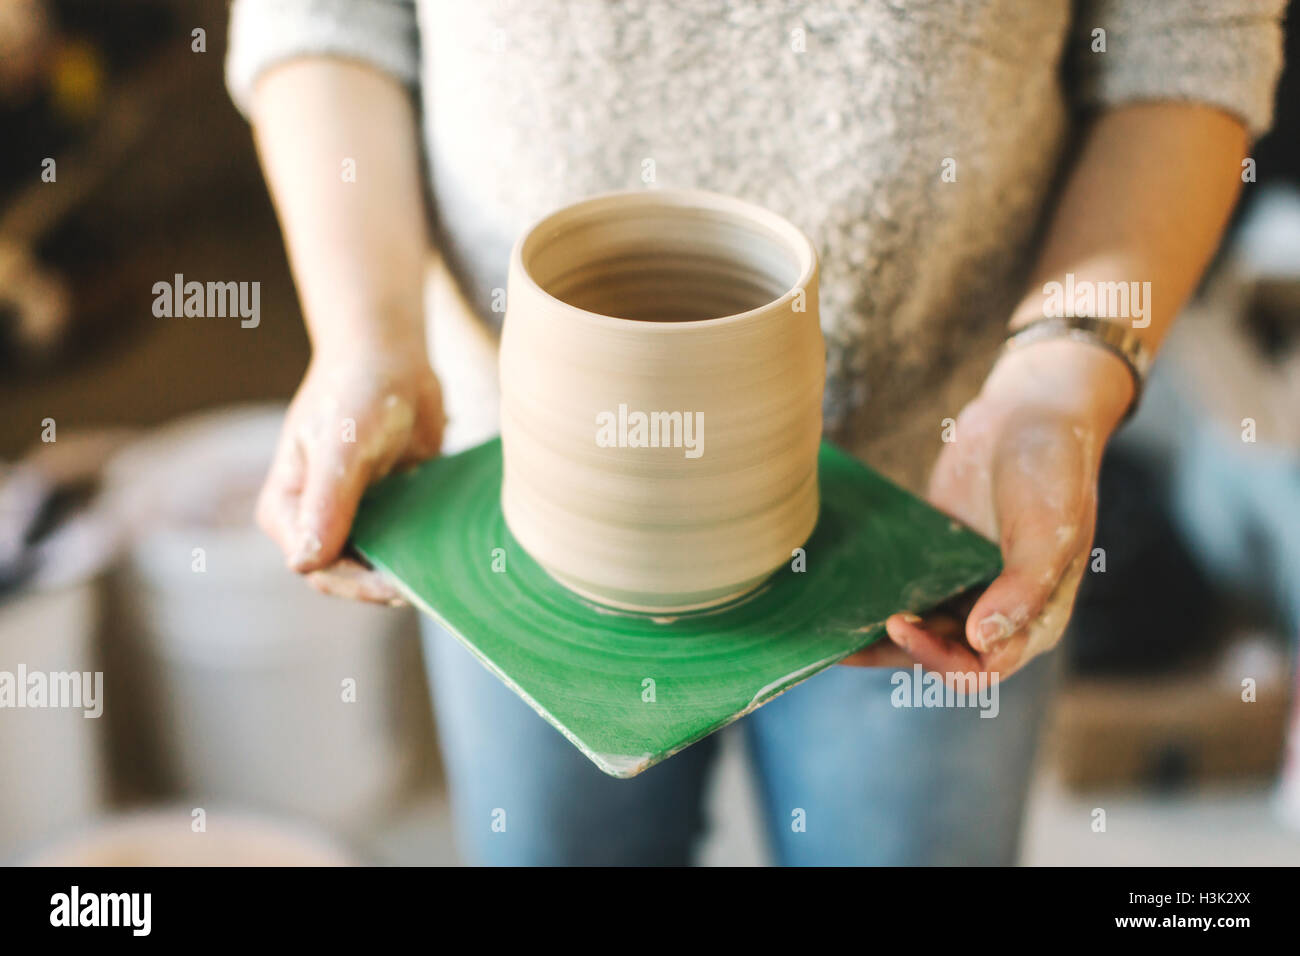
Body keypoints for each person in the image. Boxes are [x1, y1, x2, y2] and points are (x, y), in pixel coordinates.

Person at [225, 0, 1285, 865]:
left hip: (942, 474)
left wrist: (1060, 382)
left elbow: (1187, 36)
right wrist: (367, 336)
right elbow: (323, 17)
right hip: (521, 479)